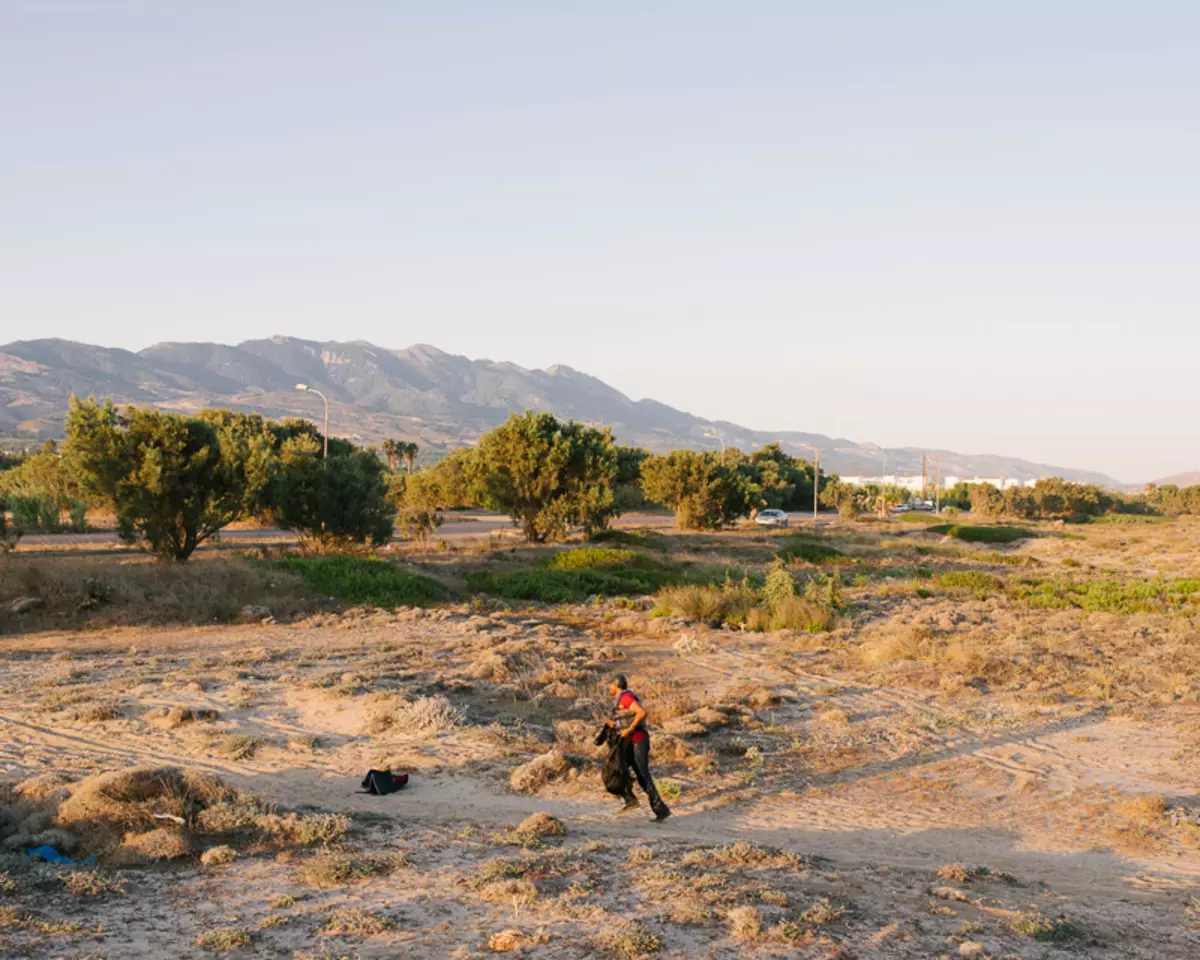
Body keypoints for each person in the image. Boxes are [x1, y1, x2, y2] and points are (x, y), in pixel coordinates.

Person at [607, 673, 671, 822]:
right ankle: (631, 800)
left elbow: (642, 712)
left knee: (642, 774)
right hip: (632, 741)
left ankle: (660, 809)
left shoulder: (625, 697)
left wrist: (629, 729)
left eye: (610, 685)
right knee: (618, 768)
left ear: (616, 686)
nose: (609, 688)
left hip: (638, 739)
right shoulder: (621, 699)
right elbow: (626, 717)